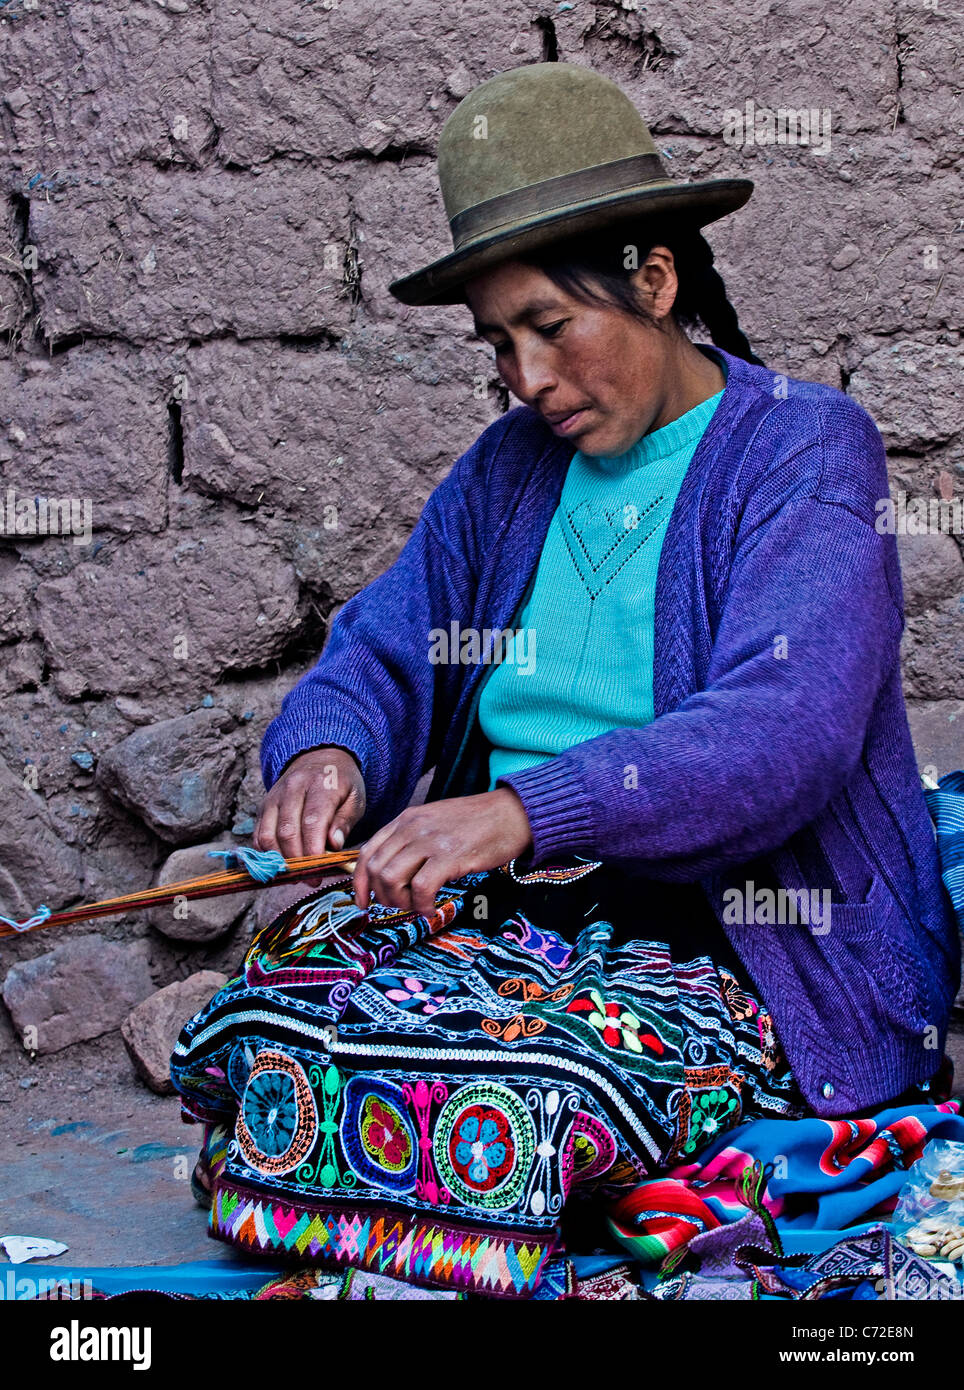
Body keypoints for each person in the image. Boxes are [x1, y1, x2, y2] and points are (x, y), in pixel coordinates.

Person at [170, 62, 960, 1299]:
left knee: (508, 1089)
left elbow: (782, 732)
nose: (526, 379)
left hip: (734, 936)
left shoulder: (804, 450)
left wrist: (522, 811)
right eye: (498, 342)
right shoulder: (508, 471)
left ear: (652, 280)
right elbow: (388, 643)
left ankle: (434, 1182)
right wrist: (328, 752)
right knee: (267, 1020)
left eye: (550, 326)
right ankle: (448, 1183)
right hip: (519, 919)